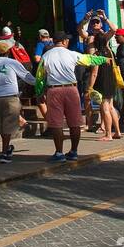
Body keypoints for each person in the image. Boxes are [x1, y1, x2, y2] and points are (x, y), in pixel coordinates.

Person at [0, 38, 36, 162]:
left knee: (3, 127)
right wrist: (39, 83)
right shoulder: (12, 62)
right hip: (11, 98)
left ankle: (6, 150)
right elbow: (26, 76)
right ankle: (5, 152)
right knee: (6, 127)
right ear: (8, 52)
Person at [41, 31, 84, 162]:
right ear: (65, 42)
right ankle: (74, 151)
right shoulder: (72, 54)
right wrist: (104, 59)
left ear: (54, 42)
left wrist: (40, 91)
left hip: (54, 90)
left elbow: (40, 76)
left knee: (56, 123)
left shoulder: (46, 56)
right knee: (75, 122)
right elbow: (88, 61)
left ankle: (59, 153)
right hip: (71, 89)